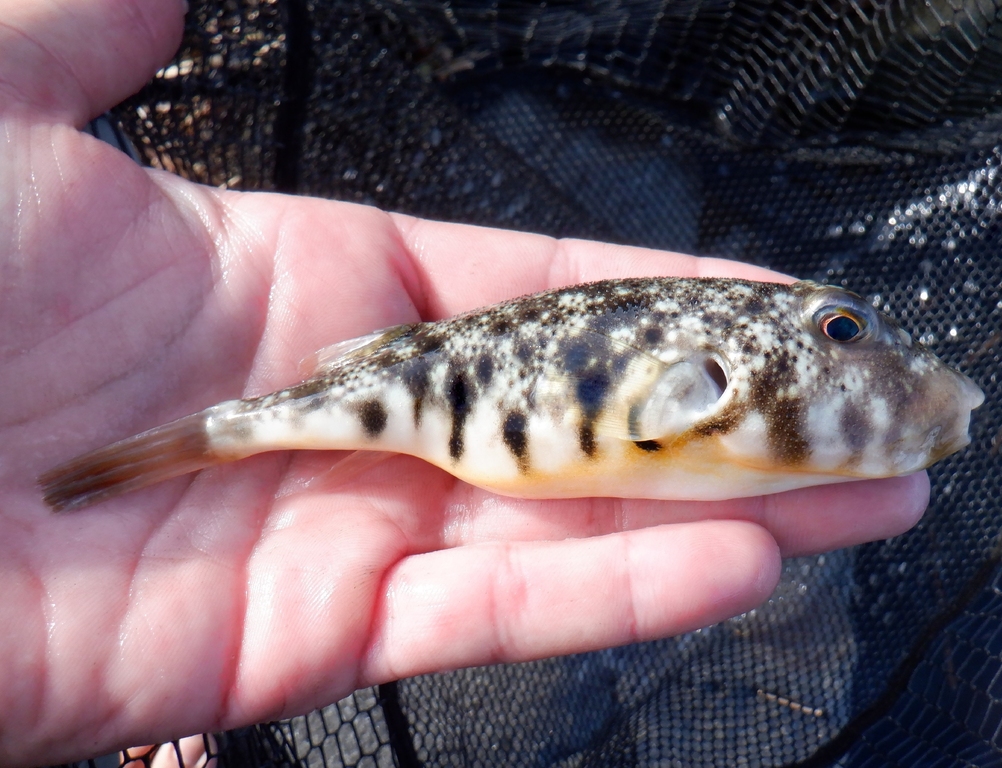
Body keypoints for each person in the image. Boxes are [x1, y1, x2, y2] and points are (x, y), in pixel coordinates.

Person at [0, 0, 929, 764]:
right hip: (463, 401)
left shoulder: (756, 404)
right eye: (842, 330)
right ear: (716, 369)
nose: (860, 350)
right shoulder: (713, 381)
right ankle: (185, 443)